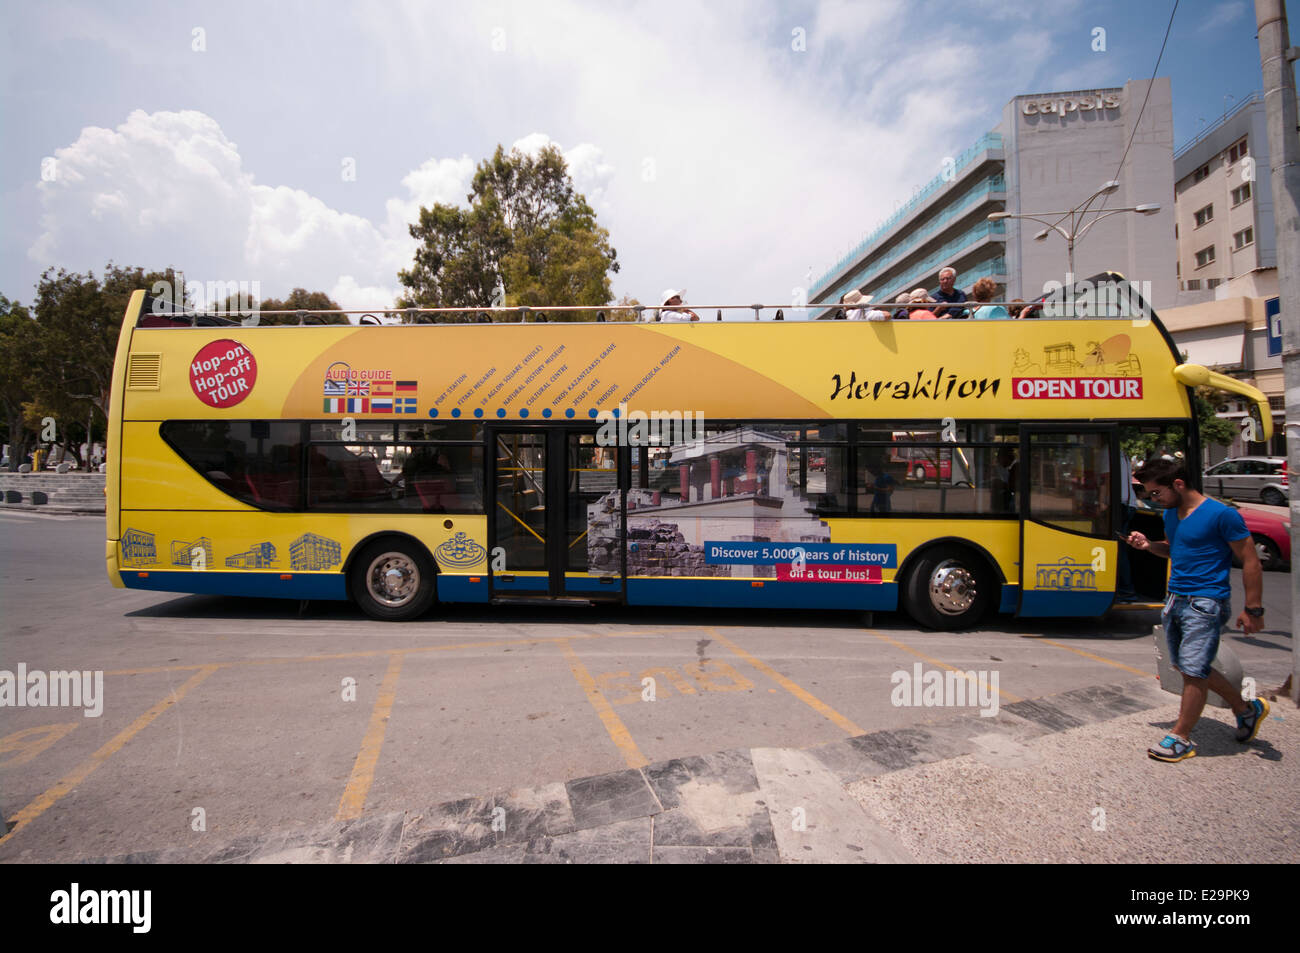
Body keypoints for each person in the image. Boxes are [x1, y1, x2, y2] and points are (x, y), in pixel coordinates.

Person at [1124, 456, 1269, 762]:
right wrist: (1149, 546)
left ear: (1178, 484)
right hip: (1176, 598)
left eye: (1155, 493)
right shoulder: (1172, 514)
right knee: (1188, 666)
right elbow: (1173, 549)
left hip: (1206, 602)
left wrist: (1253, 609)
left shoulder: (1221, 514)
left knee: (1192, 671)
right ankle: (1246, 710)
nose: (1153, 499)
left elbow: (1250, 560)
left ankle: (1180, 737)